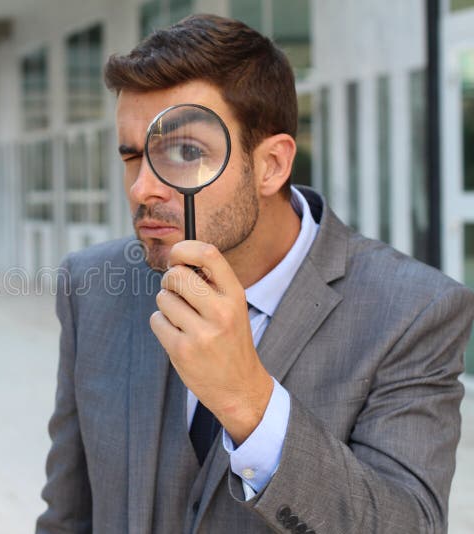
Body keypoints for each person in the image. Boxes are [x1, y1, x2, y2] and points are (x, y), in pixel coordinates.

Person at [36, 13, 474, 534]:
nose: (141, 189)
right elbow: (68, 517)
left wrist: (248, 401)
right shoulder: (92, 286)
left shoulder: (413, 310)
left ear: (271, 165)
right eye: (133, 157)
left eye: (184, 153)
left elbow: (409, 526)